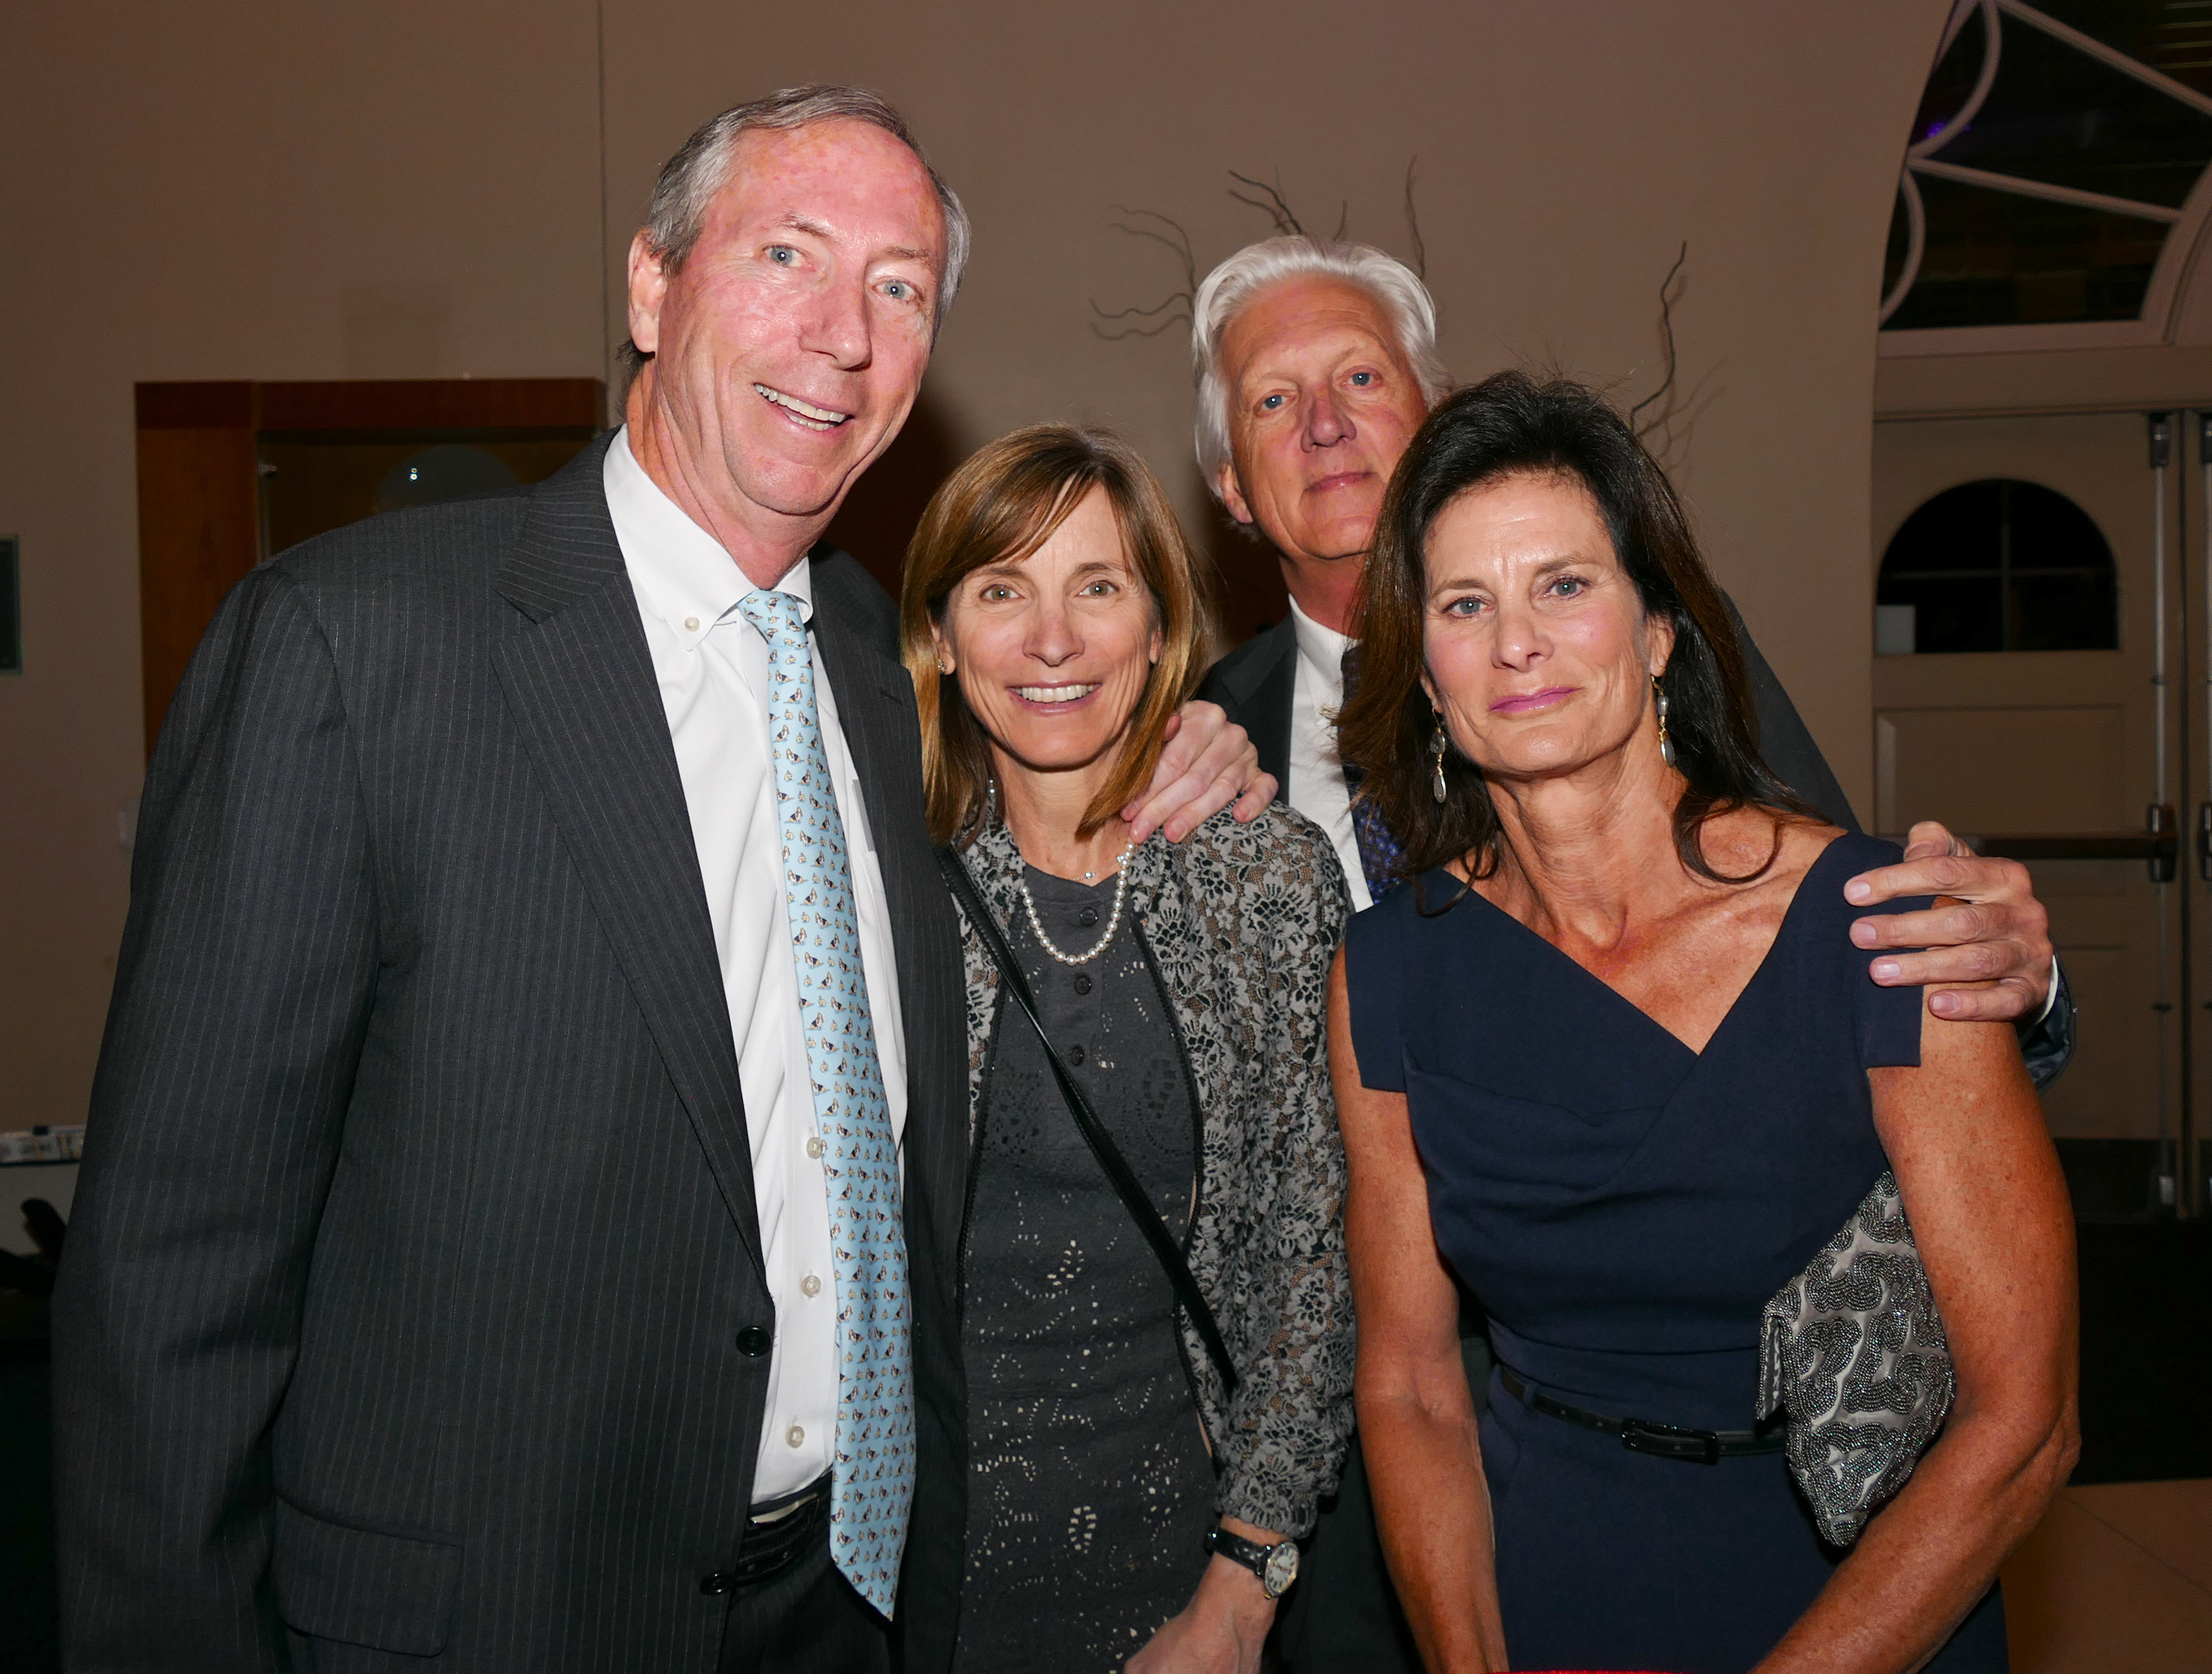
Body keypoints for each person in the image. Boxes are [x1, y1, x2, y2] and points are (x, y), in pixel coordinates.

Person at [53, 88, 1270, 1674]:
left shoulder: (882, 672)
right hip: (489, 1616)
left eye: (899, 289)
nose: (843, 332)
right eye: (787, 254)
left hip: (852, 1604)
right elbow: (171, 1275)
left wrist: (1207, 747)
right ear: (650, 286)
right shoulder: (354, 646)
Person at [1180, 234, 2073, 1669]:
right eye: (1462, 606)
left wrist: (2022, 979)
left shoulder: (1851, 905)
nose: (1515, 642)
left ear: (1658, 630)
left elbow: (1888, 969)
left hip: (1848, 1537)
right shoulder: (1191, 753)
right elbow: (1399, 1367)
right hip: (1477, 1526)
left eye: (1563, 590)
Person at [899, 424, 1354, 1674]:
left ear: (1159, 628)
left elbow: (1320, 1255)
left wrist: (1244, 1579)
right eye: (1003, 589)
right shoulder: (875, 888)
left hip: (1184, 1569)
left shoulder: (1266, 878)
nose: (1053, 640)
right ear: (940, 634)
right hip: (909, 1579)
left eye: (1098, 587)